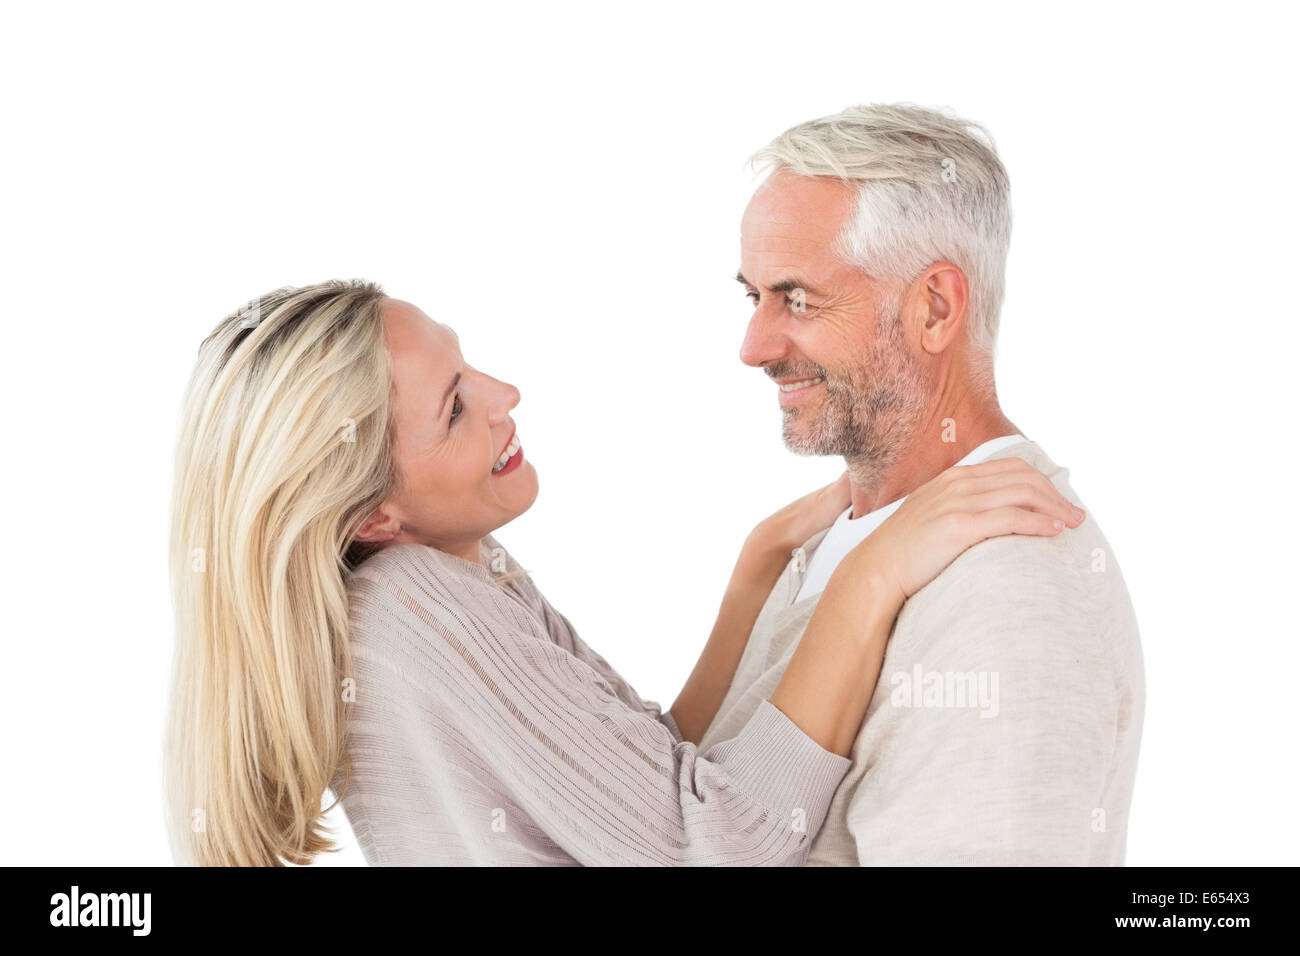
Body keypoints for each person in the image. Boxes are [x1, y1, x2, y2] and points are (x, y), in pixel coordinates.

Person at [163, 280, 1083, 866]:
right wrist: (870, 578)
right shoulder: (416, 606)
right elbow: (719, 847)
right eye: (454, 410)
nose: (504, 397)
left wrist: (755, 572)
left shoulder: (453, 566)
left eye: (467, 367)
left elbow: (652, 778)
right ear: (372, 516)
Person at [702, 103, 1145, 865]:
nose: (754, 346)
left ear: (934, 309)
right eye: (754, 296)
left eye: (797, 299)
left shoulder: (1012, 598)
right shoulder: (827, 538)